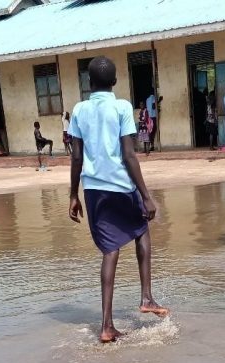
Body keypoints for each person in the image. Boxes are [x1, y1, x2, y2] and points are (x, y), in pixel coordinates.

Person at [67, 56, 168, 343]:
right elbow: (129, 154)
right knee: (142, 230)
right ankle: (146, 297)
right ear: (114, 81)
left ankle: (106, 326)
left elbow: (76, 157)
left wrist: (73, 194)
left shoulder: (79, 110)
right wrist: (146, 196)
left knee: (110, 250)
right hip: (121, 186)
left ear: (89, 82)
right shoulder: (122, 107)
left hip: (93, 190)